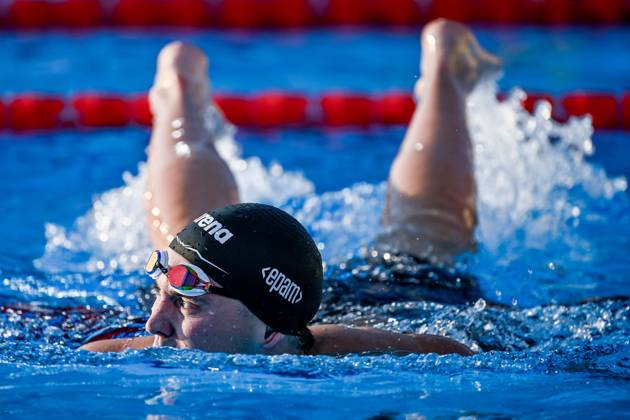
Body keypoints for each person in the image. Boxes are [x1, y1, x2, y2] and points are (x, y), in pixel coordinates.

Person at [81, 18, 500, 356]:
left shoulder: (351, 349)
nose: (153, 322)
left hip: (374, 305)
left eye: (187, 302)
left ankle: (448, 70)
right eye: (163, 291)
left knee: (428, 232)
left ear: (269, 336)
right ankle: (177, 97)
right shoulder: (203, 327)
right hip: (285, 303)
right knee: (187, 241)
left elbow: (455, 352)